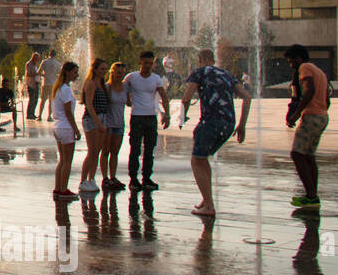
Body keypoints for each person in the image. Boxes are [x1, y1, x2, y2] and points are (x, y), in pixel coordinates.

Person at [181, 48, 252, 216]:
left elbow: (186, 98)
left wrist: (182, 118)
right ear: (212, 59)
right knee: (202, 158)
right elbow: (247, 97)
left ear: (199, 59)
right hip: (228, 124)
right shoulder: (226, 74)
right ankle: (207, 200)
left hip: (210, 122)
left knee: (196, 160)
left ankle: (209, 206)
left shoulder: (198, 73)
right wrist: (242, 125)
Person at [284, 44, 330, 211]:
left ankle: (311, 196)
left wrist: (296, 113)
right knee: (309, 156)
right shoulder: (319, 71)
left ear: (298, 58)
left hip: (312, 116)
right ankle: (312, 196)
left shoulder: (305, 68)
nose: (291, 65)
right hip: (322, 116)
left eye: (291, 61)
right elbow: (327, 98)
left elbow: (309, 90)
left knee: (297, 154)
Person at [123, 51, 170, 193]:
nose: (148, 66)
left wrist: (166, 115)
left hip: (151, 117)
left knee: (149, 150)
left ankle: (146, 178)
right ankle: (133, 179)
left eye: (151, 63)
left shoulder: (156, 79)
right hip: (137, 117)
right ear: (140, 62)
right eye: (146, 63)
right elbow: (122, 89)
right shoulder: (132, 77)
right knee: (135, 149)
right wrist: (128, 100)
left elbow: (164, 97)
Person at [78, 58, 109, 193]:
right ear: (95, 69)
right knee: (92, 152)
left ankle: (91, 178)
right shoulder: (91, 84)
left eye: (106, 69)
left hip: (102, 118)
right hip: (92, 119)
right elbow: (89, 105)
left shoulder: (102, 84)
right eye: (102, 69)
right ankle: (83, 180)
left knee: (97, 151)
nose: (104, 71)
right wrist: (98, 123)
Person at [50, 61, 80, 200]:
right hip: (66, 127)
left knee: (62, 160)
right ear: (67, 72)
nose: (77, 75)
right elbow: (68, 111)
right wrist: (76, 129)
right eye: (75, 72)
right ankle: (63, 189)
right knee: (68, 160)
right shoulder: (66, 89)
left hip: (57, 126)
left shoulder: (58, 88)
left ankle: (57, 188)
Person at [98, 62, 129, 191]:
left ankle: (113, 177)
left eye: (122, 73)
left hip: (119, 124)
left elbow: (129, 102)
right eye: (117, 72)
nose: (120, 75)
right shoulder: (106, 87)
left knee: (115, 152)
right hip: (108, 124)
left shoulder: (125, 88)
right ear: (112, 73)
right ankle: (105, 178)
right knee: (105, 151)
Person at [37, 50, 61, 122]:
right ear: (55, 55)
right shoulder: (58, 63)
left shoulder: (44, 61)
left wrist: (44, 75)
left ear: (49, 54)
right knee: (51, 101)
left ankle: (40, 116)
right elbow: (59, 74)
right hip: (53, 84)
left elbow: (38, 72)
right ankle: (49, 116)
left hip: (45, 83)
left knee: (43, 100)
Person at [24, 52, 41, 119]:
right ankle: (29, 114)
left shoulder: (35, 65)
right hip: (31, 84)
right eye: (37, 58)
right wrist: (36, 74)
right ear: (34, 57)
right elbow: (28, 74)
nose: (37, 60)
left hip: (36, 83)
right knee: (32, 99)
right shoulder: (29, 64)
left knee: (36, 99)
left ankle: (32, 113)